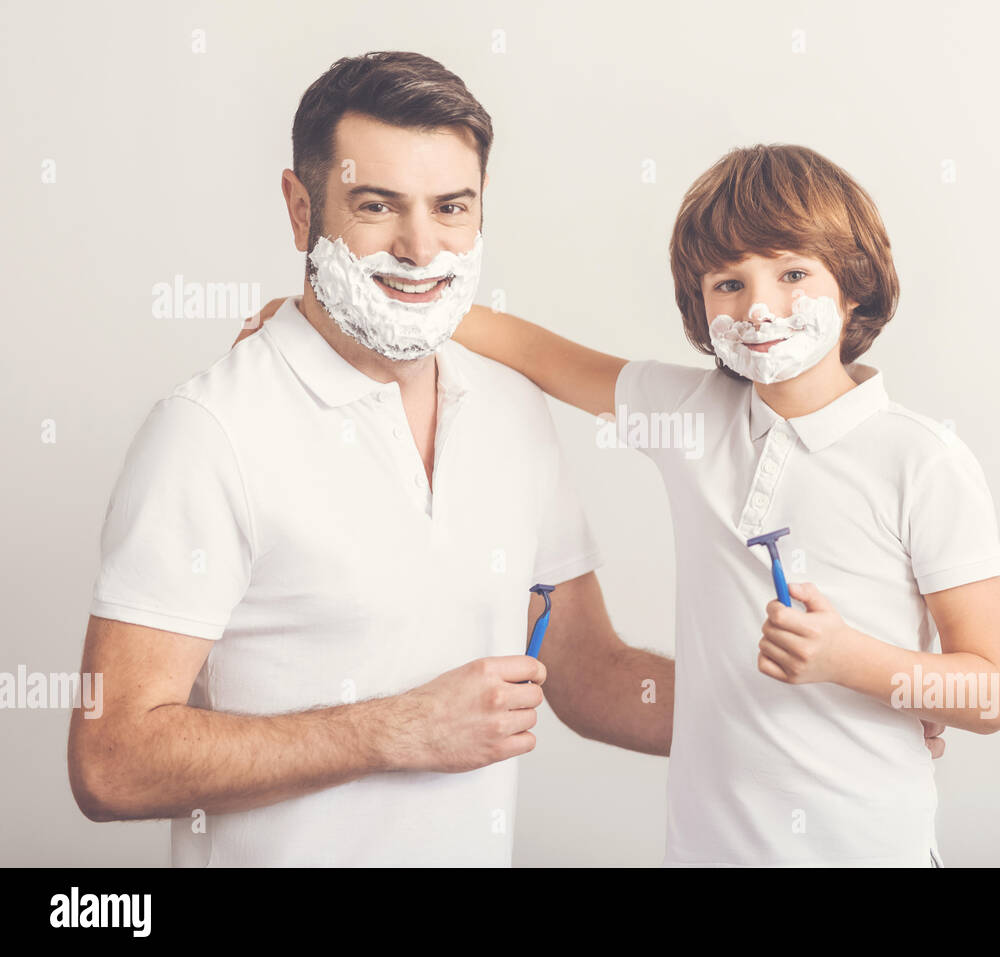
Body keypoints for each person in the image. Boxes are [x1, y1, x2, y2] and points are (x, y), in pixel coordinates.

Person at [67, 51, 676, 867]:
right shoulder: (210, 431)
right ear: (299, 209)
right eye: (377, 205)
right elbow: (111, 763)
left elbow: (590, 673)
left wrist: (819, 703)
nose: (421, 247)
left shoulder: (510, 407)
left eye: (451, 207)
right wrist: (398, 729)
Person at [445, 143, 1000, 866]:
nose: (759, 307)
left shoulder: (922, 460)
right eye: (728, 283)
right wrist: (325, 318)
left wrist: (848, 658)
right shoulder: (686, 414)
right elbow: (529, 350)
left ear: (853, 286)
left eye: (793, 273)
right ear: (699, 305)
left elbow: (992, 693)